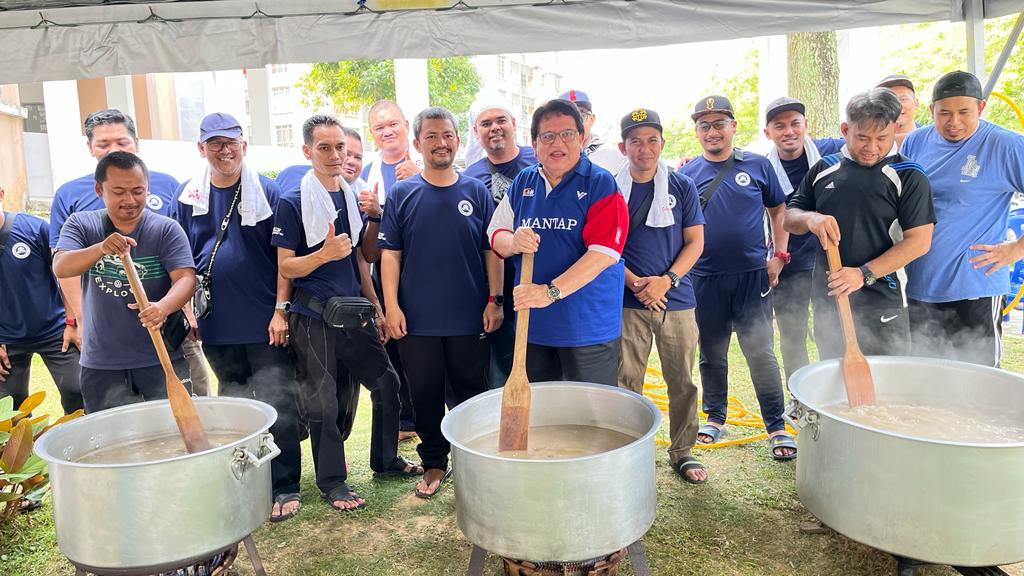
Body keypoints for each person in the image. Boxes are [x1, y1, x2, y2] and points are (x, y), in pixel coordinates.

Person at [274, 115, 422, 513]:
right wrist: (322, 255)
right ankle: (332, 482)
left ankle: (385, 459)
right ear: (307, 151)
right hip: (314, 315)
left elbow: (360, 259)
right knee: (323, 402)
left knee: (387, 383)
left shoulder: (350, 196)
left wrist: (374, 304)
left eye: (340, 147)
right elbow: (286, 267)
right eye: (325, 147)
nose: (335, 155)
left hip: (354, 313)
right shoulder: (292, 201)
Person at [175, 112, 302, 523]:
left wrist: (281, 311)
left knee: (276, 401)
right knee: (232, 402)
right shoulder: (188, 196)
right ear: (201, 149)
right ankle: (247, 478)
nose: (224, 150)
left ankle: (285, 484)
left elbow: (284, 262)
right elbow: (181, 260)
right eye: (215, 143)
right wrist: (185, 308)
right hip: (215, 324)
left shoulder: (268, 193)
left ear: (244, 146)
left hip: (266, 323)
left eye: (231, 142)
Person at [379, 107, 502, 499]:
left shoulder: (476, 191)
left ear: (457, 140)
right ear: (418, 144)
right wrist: (392, 306)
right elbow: (390, 255)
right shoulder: (402, 193)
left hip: (469, 317)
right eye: (431, 136)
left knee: (470, 394)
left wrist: (494, 301)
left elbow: (491, 252)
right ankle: (435, 463)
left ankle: (472, 462)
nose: (441, 142)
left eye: (447, 134)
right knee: (425, 395)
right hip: (417, 319)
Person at [47, 109, 211, 396]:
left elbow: (185, 276)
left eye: (138, 191)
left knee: (175, 433)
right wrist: (101, 248)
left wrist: (164, 306)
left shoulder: (165, 226)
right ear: (100, 190)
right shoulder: (81, 221)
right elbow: (61, 267)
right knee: (113, 436)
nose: (130, 200)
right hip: (102, 357)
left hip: (163, 348)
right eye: (119, 192)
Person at [677, 95, 794, 460]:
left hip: (751, 276)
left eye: (718, 124)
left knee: (760, 351)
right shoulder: (686, 175)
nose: (712, 131)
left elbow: (779, 211)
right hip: (704, 277)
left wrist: (779, 255)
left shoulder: (757, 165)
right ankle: (715, 416)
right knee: (712, 352)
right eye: (704, 125)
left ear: (733, 126)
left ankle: (776, 424)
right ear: (697, 131)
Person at [786, 88, 935, 361]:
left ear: (894, 130)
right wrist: (811, 218)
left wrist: (862, 274)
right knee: (834, 386)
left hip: (882, 301)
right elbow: (789, 217)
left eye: (882, 138)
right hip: (829, 300)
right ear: (845, 129)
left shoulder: (909, 175)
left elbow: (919, 241)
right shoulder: (824, 168)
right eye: (862, 137)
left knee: (889, 389)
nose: (872, 147)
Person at [488, 98, 628, 387]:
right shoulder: (523, 181)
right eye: (548, 136)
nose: (557, 143)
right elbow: (495, 234)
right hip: (534, 326)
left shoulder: (600, 183)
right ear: (535, 143)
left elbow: (603, 254)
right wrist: (513, 242)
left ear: (581, 138)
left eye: (566, 134)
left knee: (591, 418)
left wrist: (548, 292)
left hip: (587, 328)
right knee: (544, 416)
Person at [901, 70, 1024, 367]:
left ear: (980, 108)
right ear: (931, 110)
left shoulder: (1005, 145)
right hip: (921, 286)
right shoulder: (915, 142)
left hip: (974, 288)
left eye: (964, 112)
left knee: (978, 386)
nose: (953, 122)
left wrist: (1015, 249)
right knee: (924, 383)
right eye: (944, 113)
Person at [614, 109, 706, 483]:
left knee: (682, 379)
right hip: (626, 300)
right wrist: (635, 281)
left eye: (652, 140)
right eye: (635, 140)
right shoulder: (609, 186)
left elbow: (695, 241)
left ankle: (683, 450)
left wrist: (665, 281)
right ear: (623, 146)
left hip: (676, 300)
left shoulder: (681, 186)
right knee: (625, 381)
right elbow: (600, 246)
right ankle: (629, 449)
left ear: (663, 143)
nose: (644, 148)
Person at [761, 97, 845, 380]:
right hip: (788, 262)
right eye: (779, 126)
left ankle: (830, 390)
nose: (789, 132)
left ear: (806, 125)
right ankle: (799, 396)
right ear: (768, 132)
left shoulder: (830, 151)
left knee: (830, 328)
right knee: (791, 333)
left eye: (795, 124)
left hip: (828, 257)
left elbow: (875, 139)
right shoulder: (762, 166)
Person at [359, 99, 421, 442]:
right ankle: (405, 419)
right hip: (384, 269)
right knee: (393, 344)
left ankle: (432, 412)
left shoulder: (426, 163)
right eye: (380, 127)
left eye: (393, 124)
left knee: (424, 344)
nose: (387, 132)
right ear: (373, 133)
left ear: (406, 124)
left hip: (424, 271)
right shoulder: (368, 175)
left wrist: (421, 179)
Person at [463, 104, 538, 388]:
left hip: (537, 281)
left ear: (514, 123)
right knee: (500, 365)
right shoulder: (470, 176)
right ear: (475, 132)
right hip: (496, 289)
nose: (494, 127)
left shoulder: (537, 160)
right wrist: (493, 298)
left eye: (500, 120)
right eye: (485, 123)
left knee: (540, 363)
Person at [0, 185, 83, 414]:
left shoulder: (33, 228)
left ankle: (80, 446)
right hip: (6, 340)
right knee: (7, 406)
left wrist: (72, 322)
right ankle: (21, 450)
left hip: (55, 330)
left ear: (1, 194)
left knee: (79, 389)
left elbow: (64, 273)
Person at [559, 89, 625, 173]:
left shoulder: (615, 155)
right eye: (565, 117)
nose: (574, 124)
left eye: (581, 116)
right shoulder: (548, 156)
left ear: (592, 119)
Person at [877, 74, 920, 147]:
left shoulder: (933, 139)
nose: (896, 106)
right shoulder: (871, 145)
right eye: (888, 101)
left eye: (903, 99)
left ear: (916, 103)